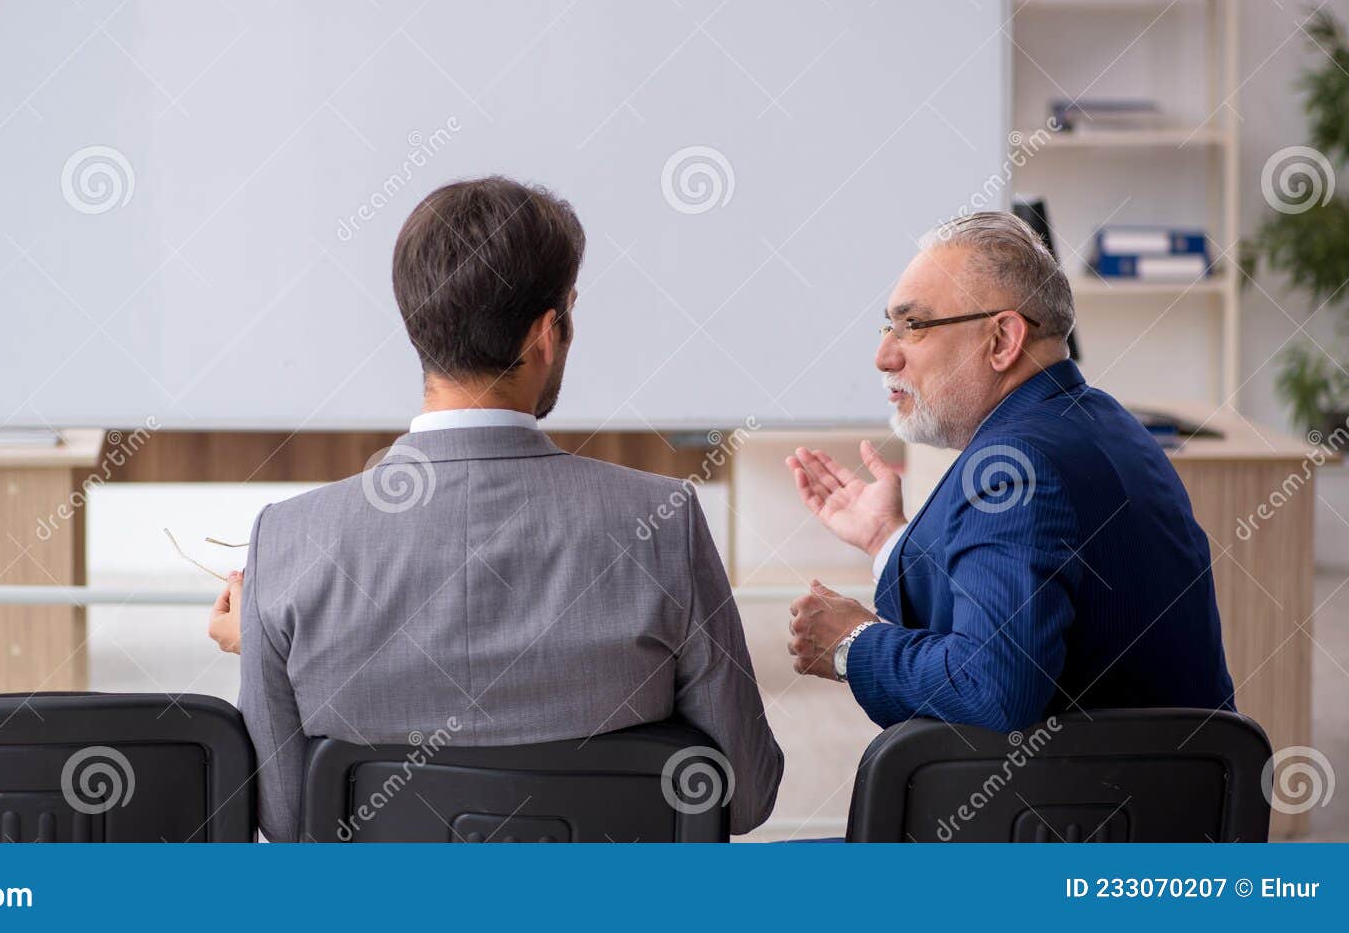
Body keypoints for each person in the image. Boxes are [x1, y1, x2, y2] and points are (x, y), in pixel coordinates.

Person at [209, 175, 782, 840]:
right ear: (546, 334)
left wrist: (268, 651)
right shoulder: (662, 524)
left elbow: (283, 820)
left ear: (417, 324)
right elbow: (743, 795)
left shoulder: (290, 542)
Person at [785, 211, 1236, 731]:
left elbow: (990, 689)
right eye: (890, 325)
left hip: (1093, 803)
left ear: (1002, 341)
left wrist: (852, 643)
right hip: (1180, 786)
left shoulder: (1016, 470)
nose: (884, 356)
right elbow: (1002, 602)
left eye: (913, 326)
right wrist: (885, 537)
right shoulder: (1105, 421)